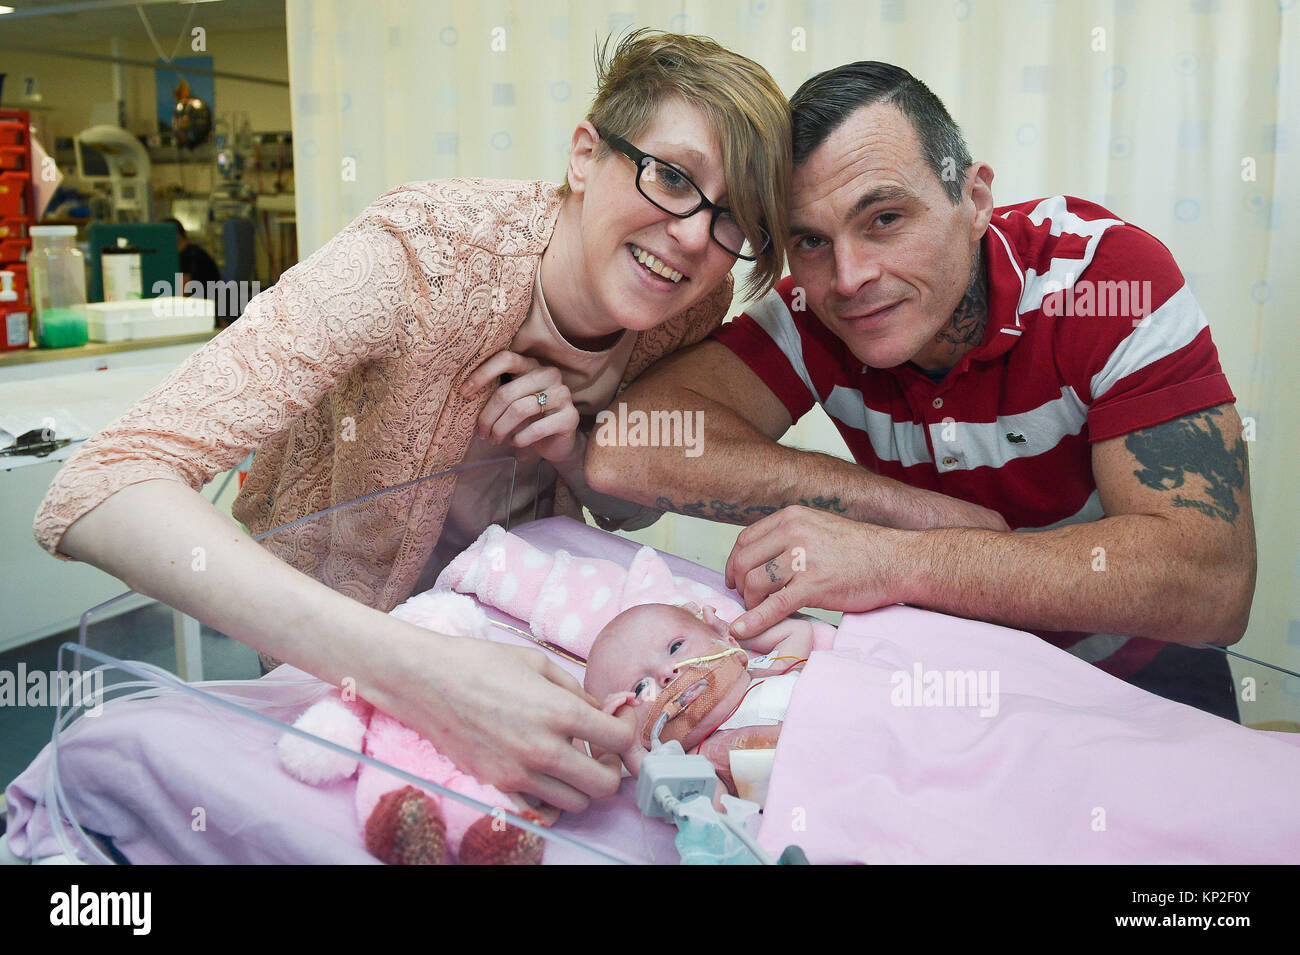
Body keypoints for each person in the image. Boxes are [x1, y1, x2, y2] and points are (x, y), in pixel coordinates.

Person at [30, 30, 791, 814]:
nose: (697, 236)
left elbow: (625, 508)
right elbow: (98, 481)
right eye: (670, 176)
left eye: (732, 217)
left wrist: (575, 452)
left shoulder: (690, 298)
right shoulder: (415, 260)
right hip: (335, 637)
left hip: (503, 624)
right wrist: (419, 673)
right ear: (584, 155)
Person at [586, 61, 1256, 721]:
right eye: (812, 240)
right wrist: (907, 512)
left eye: (883, 218)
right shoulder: (817, 312)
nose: (849, 276)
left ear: (975, 201)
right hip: (949, 687)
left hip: (1141, 692)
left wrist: (895, 559)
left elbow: (1212, 583)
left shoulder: (1106, 281)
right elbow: (625, 447)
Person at [584, 602, 811, 794]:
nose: (666, 672)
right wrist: (634, 753)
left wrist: (729, 635)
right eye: (640, 688)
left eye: (675, 647)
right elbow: (707, 810)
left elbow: (798, 631)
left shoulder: (765, 671)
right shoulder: (699, 764)